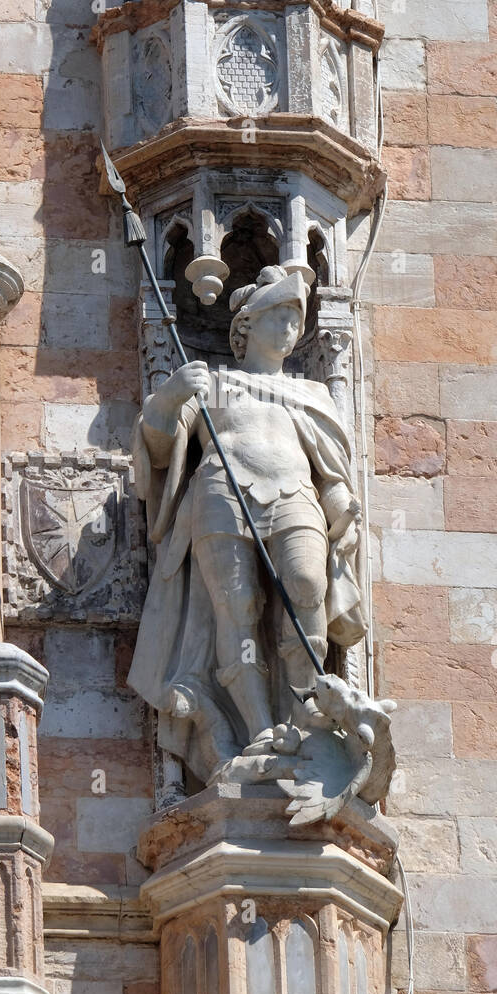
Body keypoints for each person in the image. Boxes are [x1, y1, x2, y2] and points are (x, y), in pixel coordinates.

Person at [129, 263, 367, 785]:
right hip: (220, 494)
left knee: (306, 588)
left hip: (293, 496)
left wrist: (342, 501)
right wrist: (169, 397)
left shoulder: (313, 394)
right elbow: (161, 447)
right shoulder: (214, 384)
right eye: (278, 314)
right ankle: (259, 729)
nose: (289, 327)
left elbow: (329, 466)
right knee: (235, 610)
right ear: (248, 325)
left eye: (295, 317)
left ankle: (304, 719)